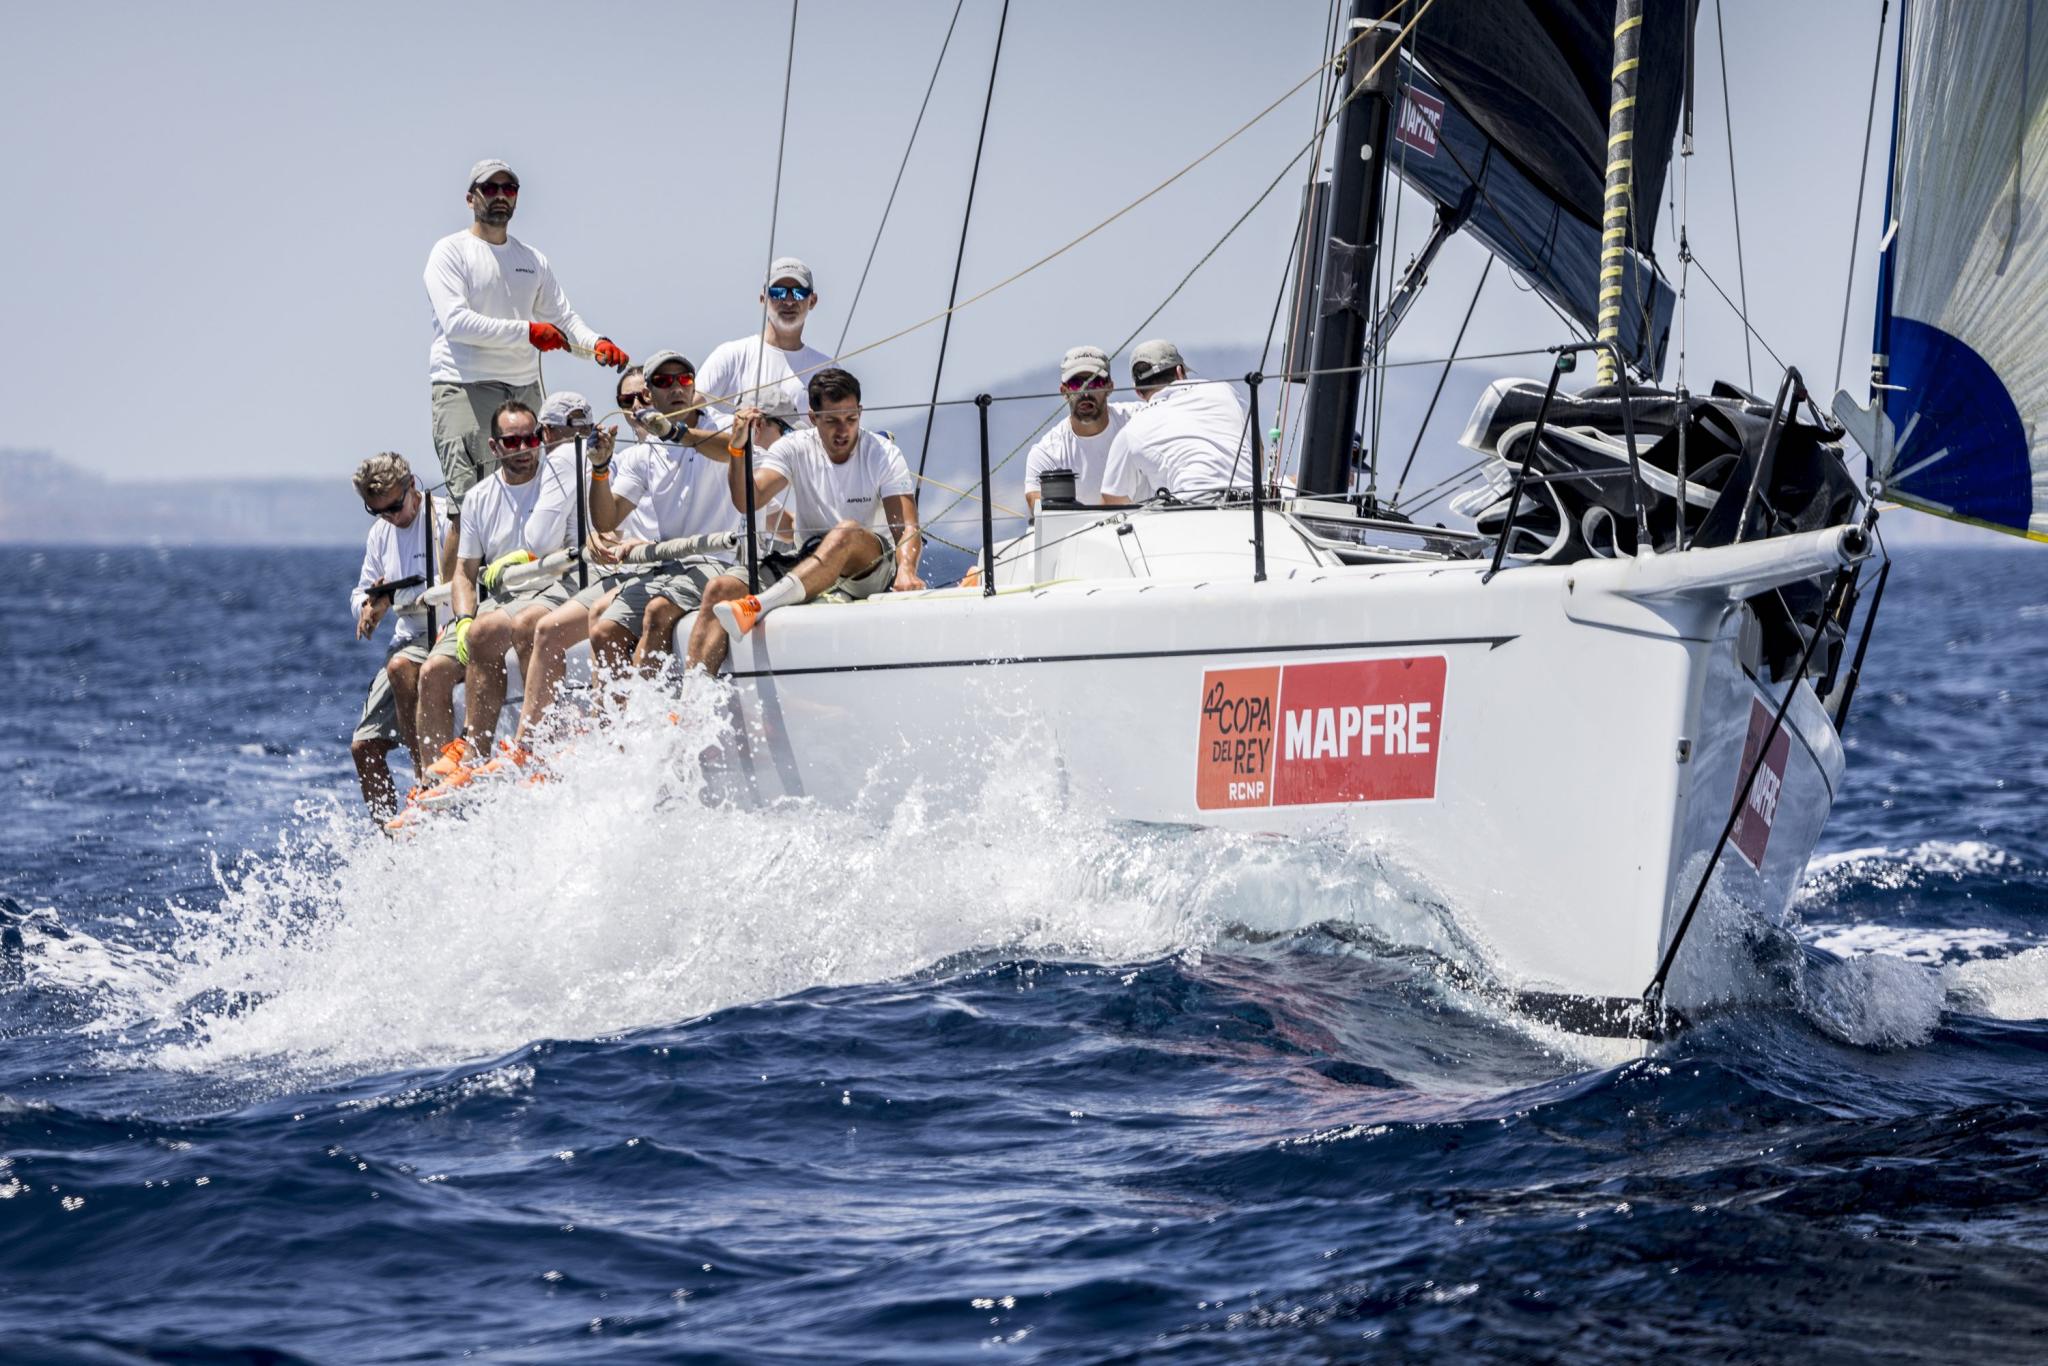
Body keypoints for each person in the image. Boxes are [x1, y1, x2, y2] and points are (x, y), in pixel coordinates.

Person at [424, 158, 628, 517]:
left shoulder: (531, 259)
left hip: (523, 388)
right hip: (466, 385)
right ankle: (467, 574)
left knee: (534, 494)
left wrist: (596, 344)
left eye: (509, 189)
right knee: (471, 504)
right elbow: (457, 323)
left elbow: (563, 318)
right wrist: (529, 332)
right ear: (471, 199)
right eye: (490, 189)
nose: (500, 195)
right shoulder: (449, 252)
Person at [689, 367, 924, 675]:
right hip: (810, 559)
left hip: (869, 565)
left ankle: (759, 605)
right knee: (720, 588)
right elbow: (748, 500)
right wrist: (737, 448)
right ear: (813, 418)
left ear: (861, 413)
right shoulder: (795, 446)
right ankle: (687, 708)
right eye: (832, 421)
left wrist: (906, 571)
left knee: (846, 532)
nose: (843, 431)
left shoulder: (883, 453)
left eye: (851, 419)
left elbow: (906, 526)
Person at [407, 400, 576, 804]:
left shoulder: (558, 479)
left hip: (546, 591)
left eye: (531, 438)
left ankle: (485, 749)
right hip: (492, 602)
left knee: (497, 631)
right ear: (495, 446)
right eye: (512, 441)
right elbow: (465, 573)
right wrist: (461, 619)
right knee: (430, 670)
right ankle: (434, 784)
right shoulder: (480, 497)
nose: (523, 448)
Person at [588, 351, 763, 674]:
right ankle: (619, 718)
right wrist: (600, 467)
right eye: (664, 382)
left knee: (657, 611)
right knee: (603, 631)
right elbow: (607, 520)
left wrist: (674, 433)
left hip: (718, 561)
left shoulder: (723, 425)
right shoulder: (645, 453)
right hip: (668, 565)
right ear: (648, 394)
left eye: (684, 379)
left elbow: (731, 449)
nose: (677, 388)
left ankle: (650, 712)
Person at [347, 453, 450, 822]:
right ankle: (392, 836)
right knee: (363, 747)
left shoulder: (443, 518)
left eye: (394, 506)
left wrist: (393, 597)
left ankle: (423, 778)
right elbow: (362, 591)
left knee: (401, 666)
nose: (390, 517)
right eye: (377, 511)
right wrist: (367, 606)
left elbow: (456, 583)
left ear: (411, 485)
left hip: (448, 629)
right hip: (408, 639)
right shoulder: (381, 533)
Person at [1099, 340, 1255, 504]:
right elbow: (1256, 450)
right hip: (1252, 506)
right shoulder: (1223, 391)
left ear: (1138, 391)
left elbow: (1112, 498)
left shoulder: (1131, 431)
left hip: (1192, 512)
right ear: (1180, 372)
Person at [693, 257, 833, 432]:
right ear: (763, 299)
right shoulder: (731, 355)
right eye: (778, 292)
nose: (789, 301)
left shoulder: (828, 369)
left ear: (812, 301)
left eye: (799, 293)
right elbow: (688, 411)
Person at [1024, 345, 1144, 513]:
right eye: (1075, 384)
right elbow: (1036, 503)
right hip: (1084, 538)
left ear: (1110, 387)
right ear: (1064, 391)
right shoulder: (1046, 453)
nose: (1085, 392)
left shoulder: (1140, 419)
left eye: (1095, 382)